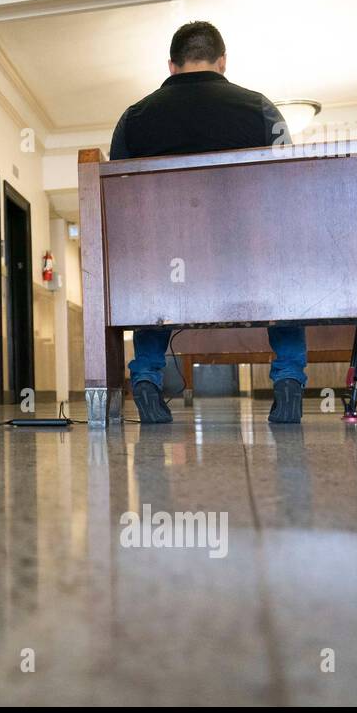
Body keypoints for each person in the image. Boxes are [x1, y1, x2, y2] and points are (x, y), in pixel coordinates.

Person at [109, 21, 308, 424]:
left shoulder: (135, 117)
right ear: (222, 62)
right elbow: (288, 181)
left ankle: (146, 378)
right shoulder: (259, 107)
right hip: (248, 259)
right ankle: (288, 379)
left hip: (170, 262)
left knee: (151, 283)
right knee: (285, 272)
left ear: (171, 65)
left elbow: (121, 192)